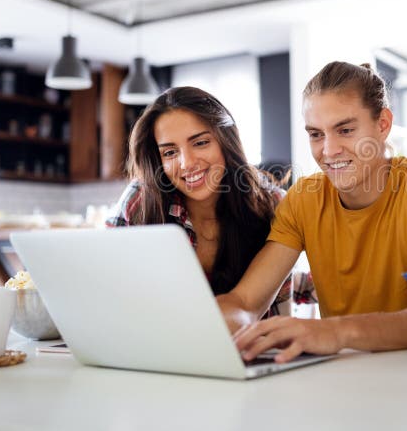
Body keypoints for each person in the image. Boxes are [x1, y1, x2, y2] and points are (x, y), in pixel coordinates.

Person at [217, 61, 407, 364]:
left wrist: (336, 331)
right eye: (316, 134)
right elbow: (245, 302)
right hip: (347, 376)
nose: (329, 150)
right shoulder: (304, 199)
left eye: (345, 130)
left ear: (383, 124)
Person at [106, 86, 291, 315]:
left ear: (226, 141)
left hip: (252, 338)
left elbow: (280, 298)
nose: (187, 163)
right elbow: (106, 282)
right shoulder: (140, 200)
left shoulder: (272, 204)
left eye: (200, 142)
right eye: (170, 152)